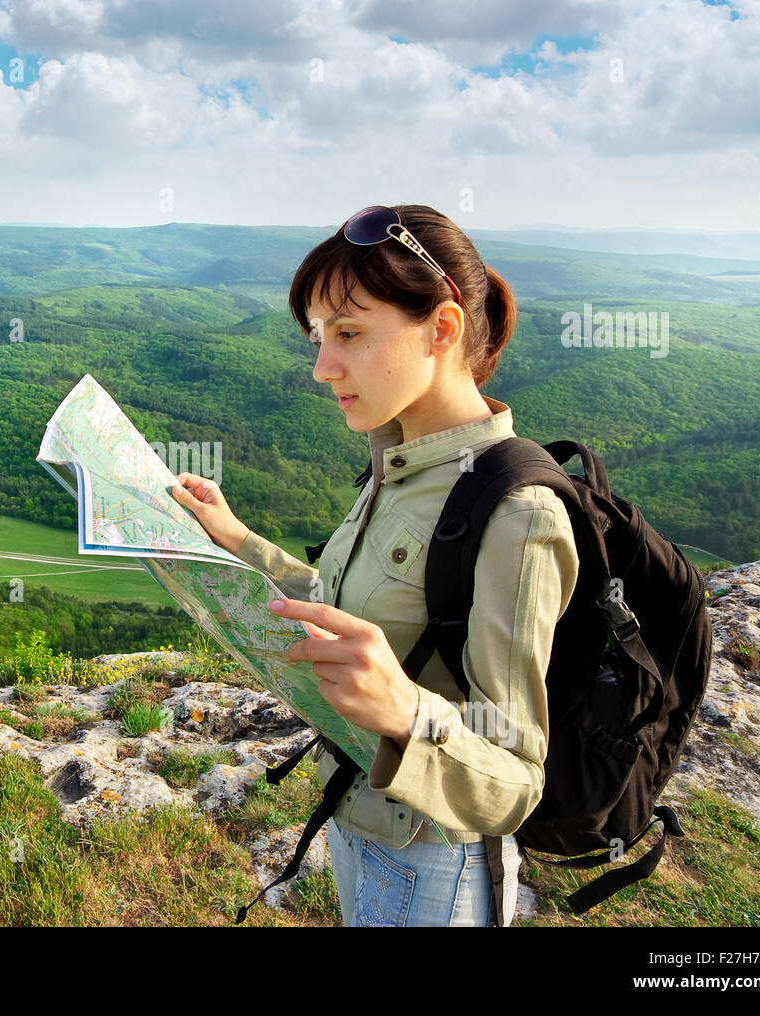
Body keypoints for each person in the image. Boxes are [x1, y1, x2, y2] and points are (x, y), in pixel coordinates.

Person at [170, 203, 579, 926]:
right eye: (320, 338)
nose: (324, 368)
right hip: (359, 820)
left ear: (442, 329)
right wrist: (234, 539)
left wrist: (405, 710)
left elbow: (516, 783)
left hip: (436, 864)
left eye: (350, 334)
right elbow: (350, 607)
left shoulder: (517, 513)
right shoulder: (400, 464)